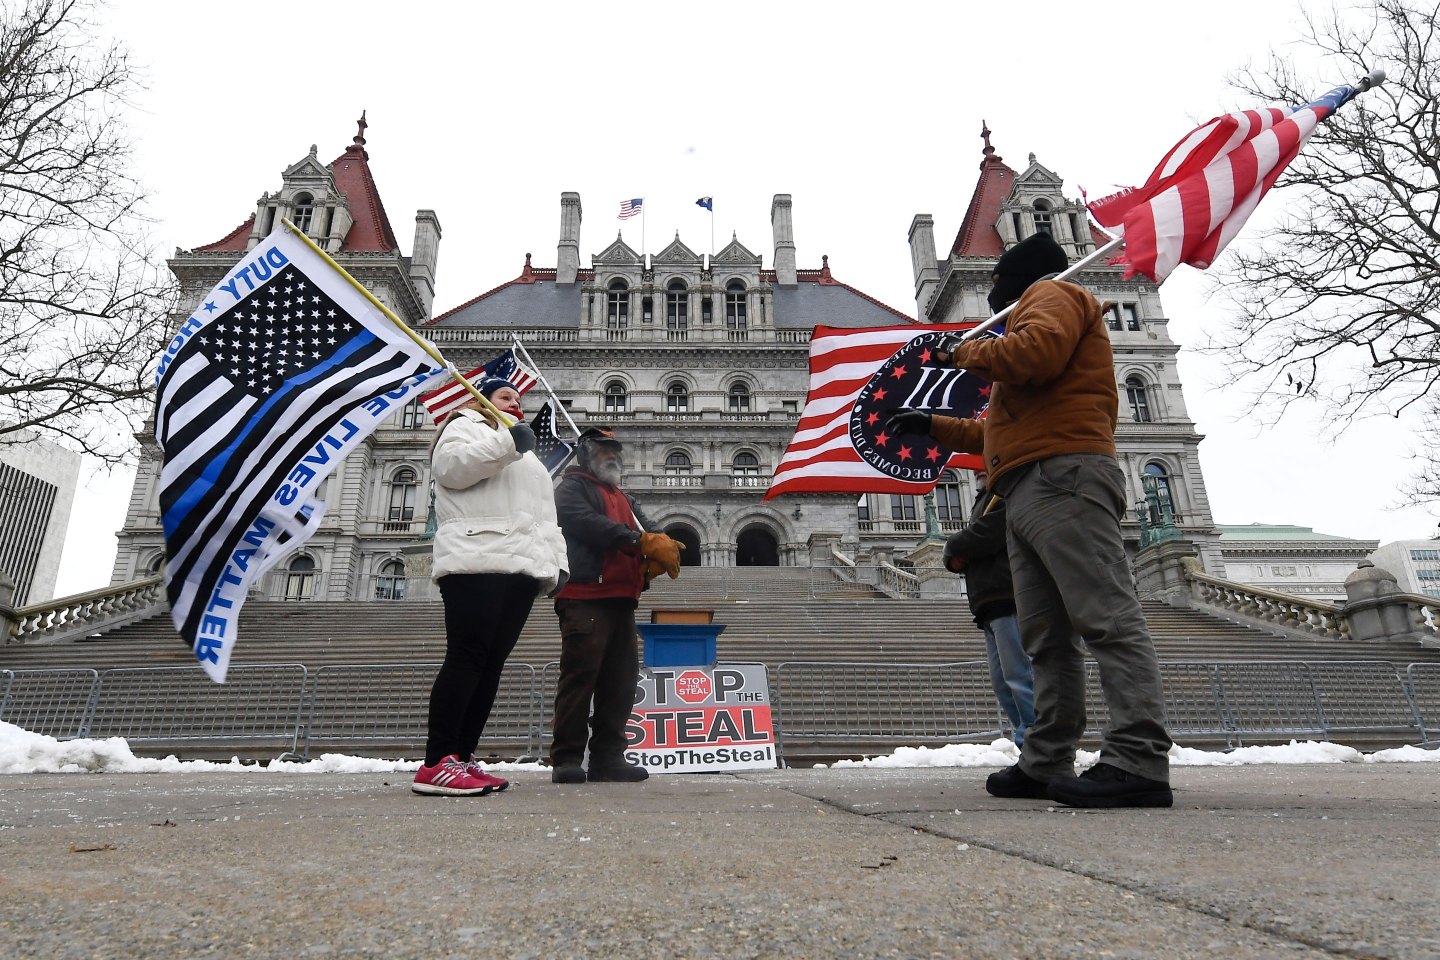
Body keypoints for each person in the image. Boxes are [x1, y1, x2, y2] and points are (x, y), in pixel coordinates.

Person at [888, 231, 1173, 808]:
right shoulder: (1030, 320)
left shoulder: (1051, 297)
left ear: (1018, 279)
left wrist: (960, 352)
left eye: (997, 285)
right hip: (1025, 484)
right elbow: (997, 430)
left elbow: (1033, 356)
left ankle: (1137, 758)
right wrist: (934, 425)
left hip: (1063, 475)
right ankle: (1046, 758)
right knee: (1046, 637)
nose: (992, 296)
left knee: (1105, 617)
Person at [412, 377, 569, 796]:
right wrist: (508, 445)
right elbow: (451, 470)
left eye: (518, 398)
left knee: (490, 665)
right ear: (478, 399)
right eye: (505, 396)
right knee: (467, 657)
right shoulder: (464, 424)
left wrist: (558, 562)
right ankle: (437, 761)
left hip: (519, 563)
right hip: (476, 556)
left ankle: (461, 757)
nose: (515, 402)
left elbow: (543, 514)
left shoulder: (525, 453)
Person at [549, 426, 682, 784]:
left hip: (623, 599)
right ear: (586, 454)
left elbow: (649, 527)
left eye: (615, 450)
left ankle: (608, 758)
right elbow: (590, 525)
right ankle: (567, 758)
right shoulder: (570, 488)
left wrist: (662, 542)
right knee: (580, 680)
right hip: (584, 596)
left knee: (619, 684)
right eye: (604, 450)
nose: (613, 456)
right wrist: (640, 541)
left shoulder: (624, 497)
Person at [943, 470, 1035, 748]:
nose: (978, 468)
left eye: (984, 461)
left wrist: (953, 546)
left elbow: (988, 533)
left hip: (1009, 596)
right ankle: (1027, 744)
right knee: (1003, 683)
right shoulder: (984, 499)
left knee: (1020, 677)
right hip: (988, 604)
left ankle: (1038, 744)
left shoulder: (1010, 489)